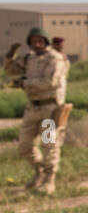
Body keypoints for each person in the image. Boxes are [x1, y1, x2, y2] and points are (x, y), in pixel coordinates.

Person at [4, 26, 70, 195]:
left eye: (40, 41)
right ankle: (39, 171)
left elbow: (50, 82)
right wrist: (11, 55)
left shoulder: (55, 59)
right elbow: (10, 70)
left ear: (46, 42)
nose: (37, 44)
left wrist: (23, 83)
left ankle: (49, 180)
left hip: (50, 108)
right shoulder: (29, 58)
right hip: (33, 107)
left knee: (49, 144)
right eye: (33, 41)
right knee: (24, 146)